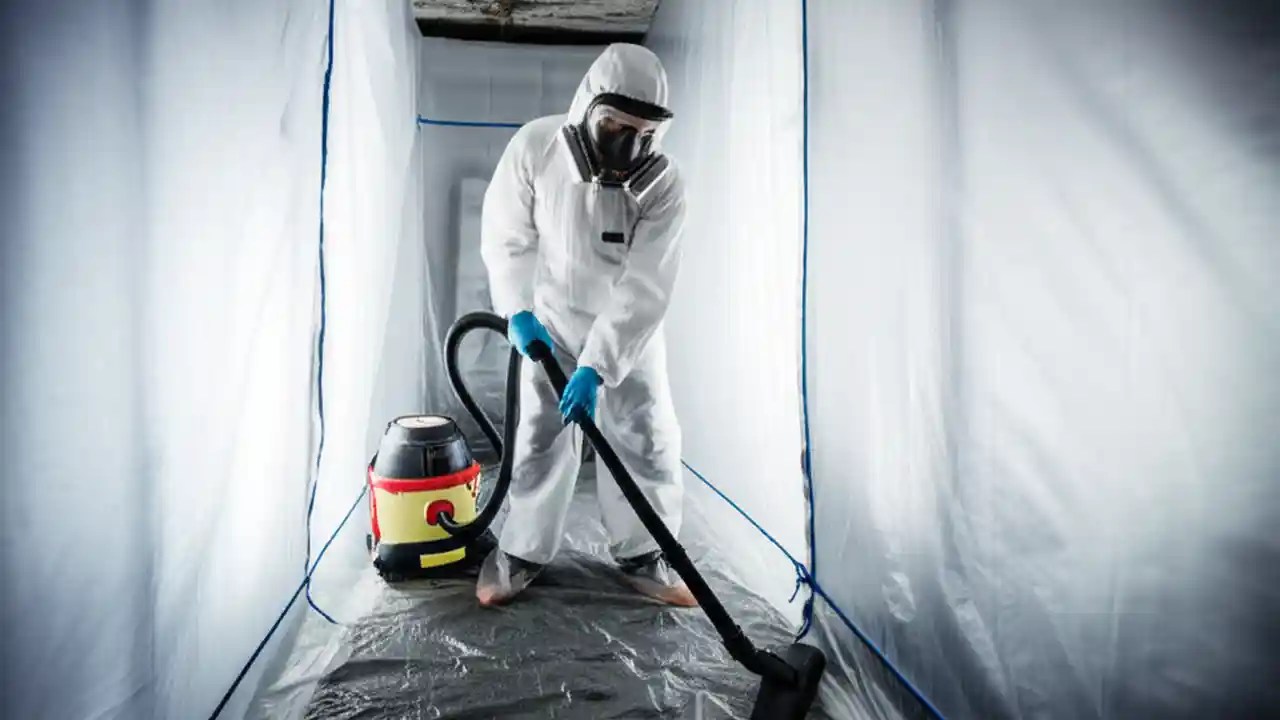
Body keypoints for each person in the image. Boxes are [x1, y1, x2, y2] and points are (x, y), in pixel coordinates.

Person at [477, 43, 694, 608]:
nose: (626, 148)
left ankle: (644, 553)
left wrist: (599, 366)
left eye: (641, 135)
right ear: (587, 107)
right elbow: (508, 236)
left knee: (647, 440)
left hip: (627, 337)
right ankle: (522, 551)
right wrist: (516, 308)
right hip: (547, 324)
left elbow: (647, 284)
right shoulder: (536, 147)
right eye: (614, 128)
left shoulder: (664, 186)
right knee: (539, 438)